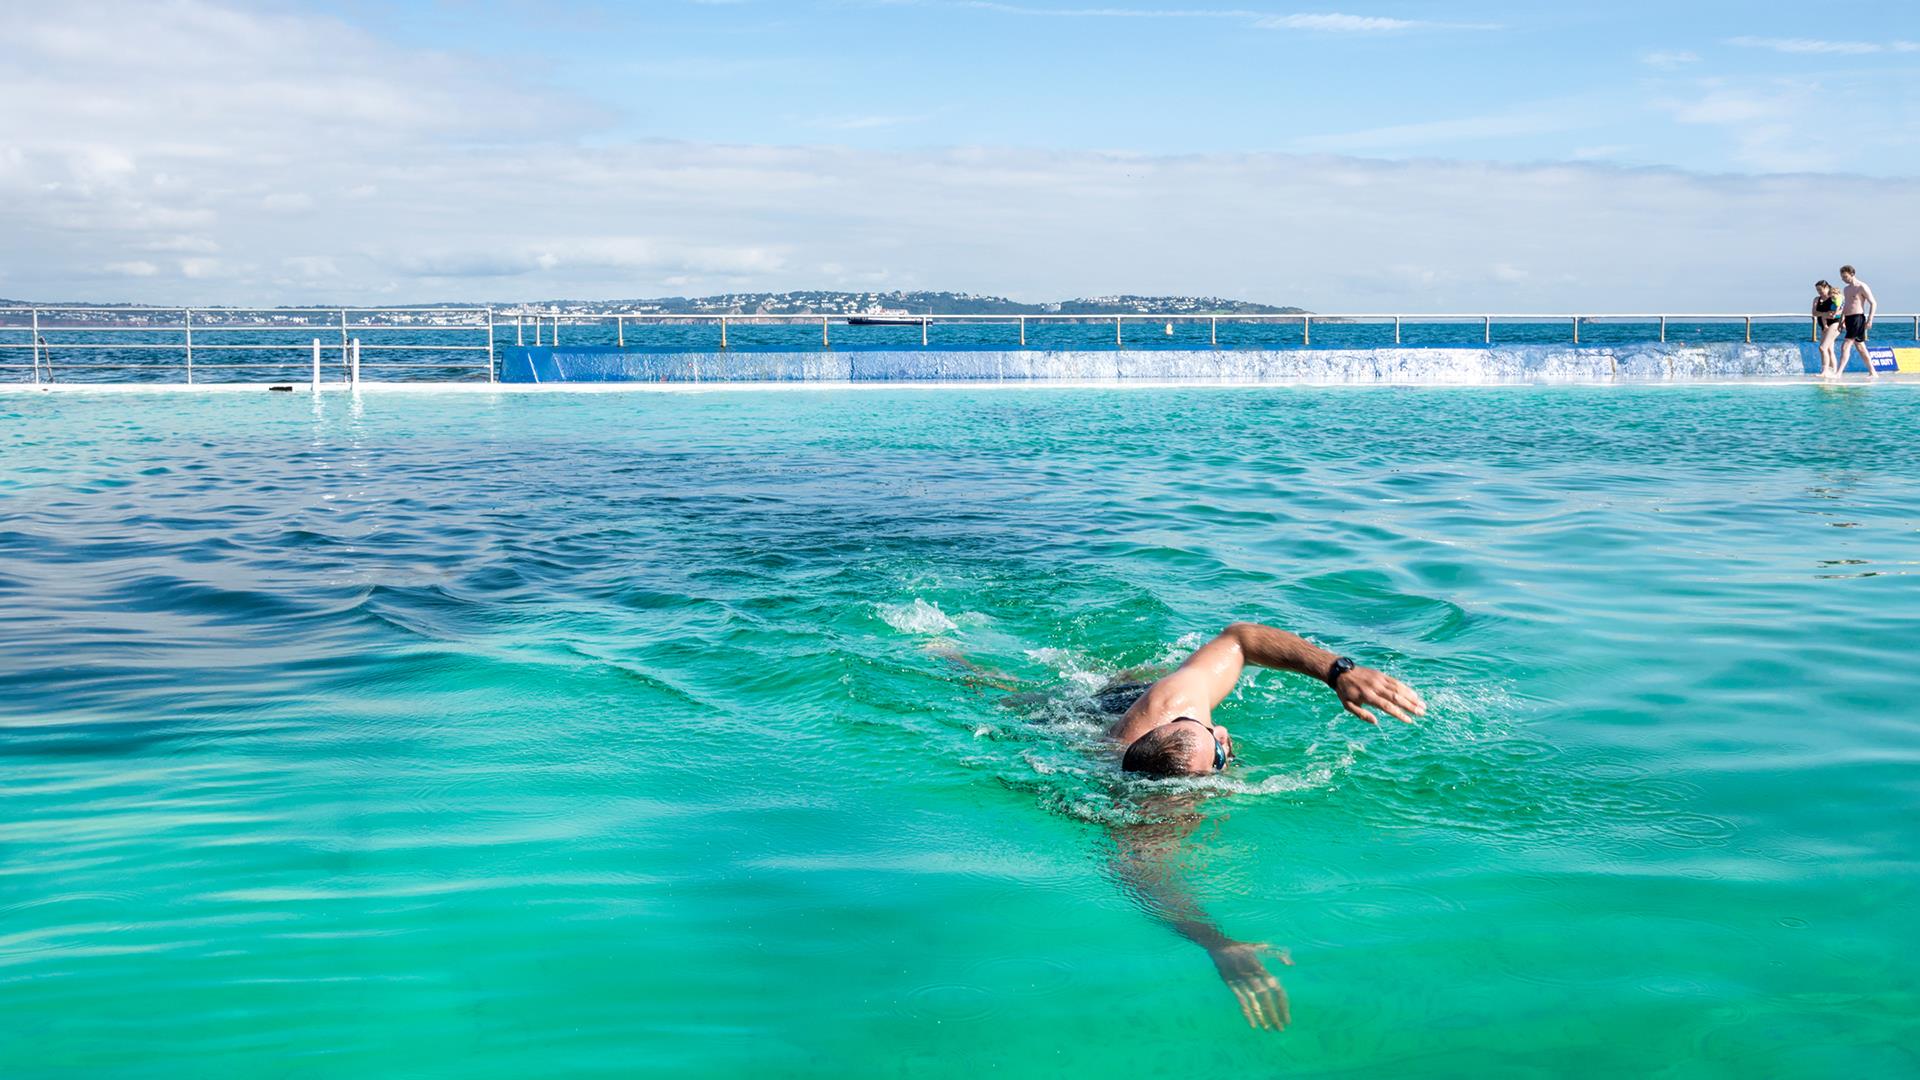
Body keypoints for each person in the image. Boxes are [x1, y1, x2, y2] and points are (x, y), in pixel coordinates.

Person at [1096, 622, 1425, 1029]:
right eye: (1219, 750)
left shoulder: (1176, 702)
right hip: (1095, 730)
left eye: (1203, 727)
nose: (1222, 731)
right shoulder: (1149, 813)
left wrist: (1339, 671)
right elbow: (1145, 878)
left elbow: (1239, 638)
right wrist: (1218, 944)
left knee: (1133, 681)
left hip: (1127, 699)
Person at [1837, 265, 1878, 378]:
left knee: (1845, 346)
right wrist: (1841, 321)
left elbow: (1873, 303)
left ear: (1852, 274)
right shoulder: (1846, 289)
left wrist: (1870, 319)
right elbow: (1846, 306)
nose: (1843, 279)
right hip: (1849, 319)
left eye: (1845, 276)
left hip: (1857, 318)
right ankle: (1873, 372)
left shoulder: (1861, 286)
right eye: (1842, 277)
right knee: (1860, 347)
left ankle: (1838, 373)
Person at [1812, 280, 1843, 377]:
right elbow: (1814, 313)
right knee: (1829, 349)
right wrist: (1824, 314)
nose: (1819, 292)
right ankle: (1833, 372)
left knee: (1822, 348)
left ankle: (1825, 371)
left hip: (1835, 324)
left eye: (1820, 289)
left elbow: (1842, 309)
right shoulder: (1817, 299)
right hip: (1824, 326)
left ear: (1826, 287)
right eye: (1817, 290)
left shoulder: (1834, 297)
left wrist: (1835, 314)